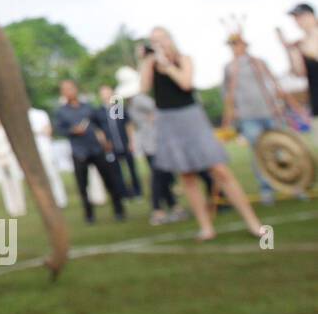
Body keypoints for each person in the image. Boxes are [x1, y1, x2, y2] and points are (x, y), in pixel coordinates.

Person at [140, 27, 263, 241]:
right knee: (187, 177)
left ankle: (254, 222)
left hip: (191, 117)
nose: (159, 44)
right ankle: (206, 227)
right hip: (168, 121)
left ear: (170, 39)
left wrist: (167, 66)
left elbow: (186, 84)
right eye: (154, 41)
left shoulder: (184, 58)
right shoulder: (151, 64)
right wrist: (146, 61)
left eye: (161, 39)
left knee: (220, 171)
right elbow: (143, 88)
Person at [222, 31, 291, 205]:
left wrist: (278, 103)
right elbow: (226, 93)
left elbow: (272, 82)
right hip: (248, 116)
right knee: (259, 153)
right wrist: (234, 111)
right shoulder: (229, 67)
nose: (236, 47)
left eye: (238, 43)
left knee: (281, 148)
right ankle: (267, 188)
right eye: (233, 44)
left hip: (269, 111)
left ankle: (292, 183)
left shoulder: (258, 62)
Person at [54, 80, 127, 223]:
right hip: (79, 152)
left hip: (96, 148)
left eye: (71, 88)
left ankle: (119, 210)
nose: (69, 91)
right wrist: (72, 131)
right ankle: (89, 214)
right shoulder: (61, 112)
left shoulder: (88, 107)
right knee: (83, 186)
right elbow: (59, 129)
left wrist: (106, 140)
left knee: (109, 180)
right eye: (65, 89)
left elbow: (101, 124)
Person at [122, 68, 181, 224]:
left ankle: (173, 206)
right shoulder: (138, 100)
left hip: (151, 142)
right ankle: (158, 209)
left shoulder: (134, 101)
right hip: (154, 143)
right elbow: (160, 109)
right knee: (159, 177)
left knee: (163, 176)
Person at [98, 84, 142, 198]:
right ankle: (124, 193)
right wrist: (104, 143)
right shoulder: (99, 112)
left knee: (132, 169)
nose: (106, 95)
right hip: (112, 147)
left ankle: (137, 191)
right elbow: (98, 130)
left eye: (108, 92)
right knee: (117, 172)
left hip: (124, 143)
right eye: (103, 93)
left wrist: (131, 141)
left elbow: (128, 125)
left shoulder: (118, 108)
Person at [278, 2, 318, 119]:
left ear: (311, 16)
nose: (298, 21)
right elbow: (299, 73)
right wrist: (289, 50)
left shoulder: (305, 44)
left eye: (300, 16)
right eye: (295, 18)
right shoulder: (300, 44)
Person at [28, 105, 68, 208]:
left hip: (45, 149)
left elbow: (48, 131)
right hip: (31, 152)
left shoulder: (40, 113)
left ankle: (60, 200)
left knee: (52, 174)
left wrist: (35, 131)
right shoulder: (19, 116)